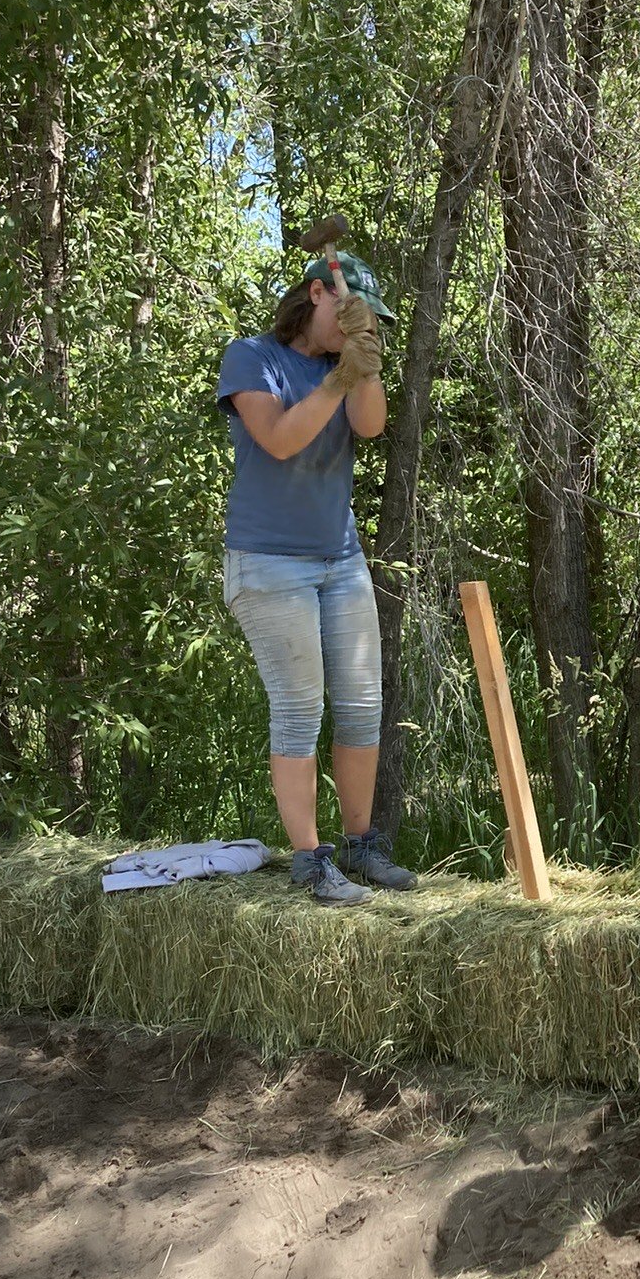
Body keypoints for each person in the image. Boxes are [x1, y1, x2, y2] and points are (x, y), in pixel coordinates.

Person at [217, 250, 418, 906]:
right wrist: (335, 383)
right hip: (268, 563)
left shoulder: (346, 367)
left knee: (362, 706)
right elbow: (277, 438)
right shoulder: (250, 356)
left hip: (339, 560)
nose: (359, 327)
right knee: (300, 708)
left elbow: (371, 424)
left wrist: (361, 364)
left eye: (371, 321)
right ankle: (310, 859)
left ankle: (360, 847)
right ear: (315, 296)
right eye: (351, 314)